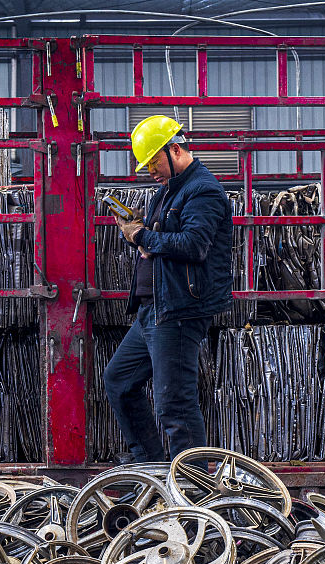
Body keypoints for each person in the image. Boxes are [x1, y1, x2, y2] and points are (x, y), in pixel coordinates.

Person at [103, 115, 233, 464]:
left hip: (178, 311)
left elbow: (194, 245)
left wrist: (143, 236)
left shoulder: (203, 190)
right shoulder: (168, 191)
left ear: (174, 150)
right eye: (146, 166)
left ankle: (192, 486)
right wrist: (142, 234)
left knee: (175, 402)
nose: (151, 172)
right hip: (154, 310)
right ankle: (151, 470)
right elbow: (163, 242)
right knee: (119, 382)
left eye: (154, 162)